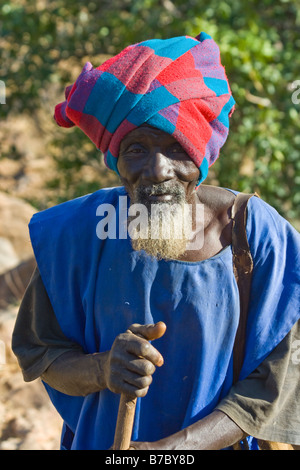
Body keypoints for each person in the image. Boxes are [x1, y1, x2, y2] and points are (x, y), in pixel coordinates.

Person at [12, 33, 300, 450]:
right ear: (115, 159)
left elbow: (271, 386)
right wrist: (103, 369)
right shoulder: (77, 235)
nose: (157, 170)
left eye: (176, 147)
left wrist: (170, 453)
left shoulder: (254, 236)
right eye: (136, 149)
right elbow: (42, 354)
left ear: (201, 153)